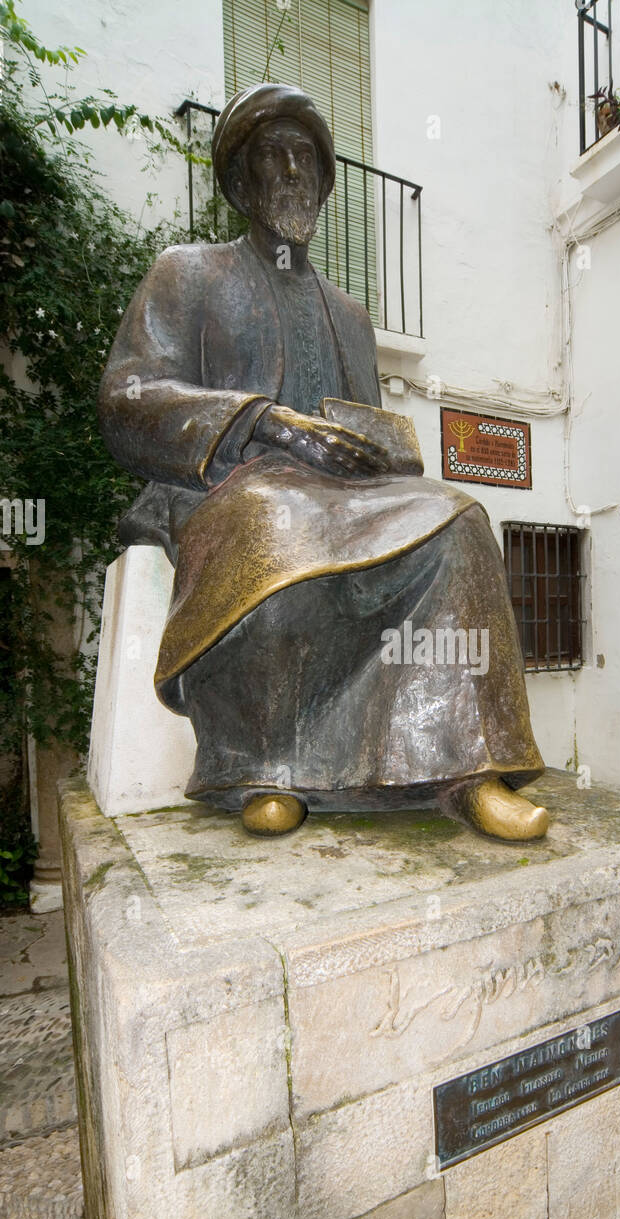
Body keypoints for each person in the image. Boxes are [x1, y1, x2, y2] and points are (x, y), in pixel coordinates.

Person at [98, 83, 548, 841]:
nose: (292, 170)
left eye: (305, 157)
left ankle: (469, 768)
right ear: (240, 180)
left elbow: (366, 429)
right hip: (233, 482)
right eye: (273, 156)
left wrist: (379, 447)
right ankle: (265, 765)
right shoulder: (188, 273)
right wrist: (263, 421)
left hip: (345, 495)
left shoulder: (350, 315)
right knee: (277, 516)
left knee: (459, 520)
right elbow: (126, 397)